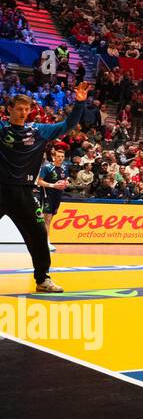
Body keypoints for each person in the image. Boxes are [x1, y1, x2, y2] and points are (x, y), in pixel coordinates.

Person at [1, 84, 89, 293]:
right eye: (19, 108)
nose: (23, 112)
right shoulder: (2, 129)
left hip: (25, 194)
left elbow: (69, 124)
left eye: (26, 109)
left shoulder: (39, 131)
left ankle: (42, 279)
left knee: (40, 235)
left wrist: (79, 103)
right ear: (9, 109)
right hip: (1, 190)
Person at [35, 143, 71, 254]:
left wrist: (66, 183)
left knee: (49, 220)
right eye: (58, 156)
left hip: (57, 196)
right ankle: (46, 242)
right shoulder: (47, 167)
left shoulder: (65, 167)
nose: (60, 158)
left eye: (62, 157)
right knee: (47, 219)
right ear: (53, 157)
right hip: (47, 195)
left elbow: (66, 180)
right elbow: (39, 181)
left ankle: (43, 240)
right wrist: (53, 185)